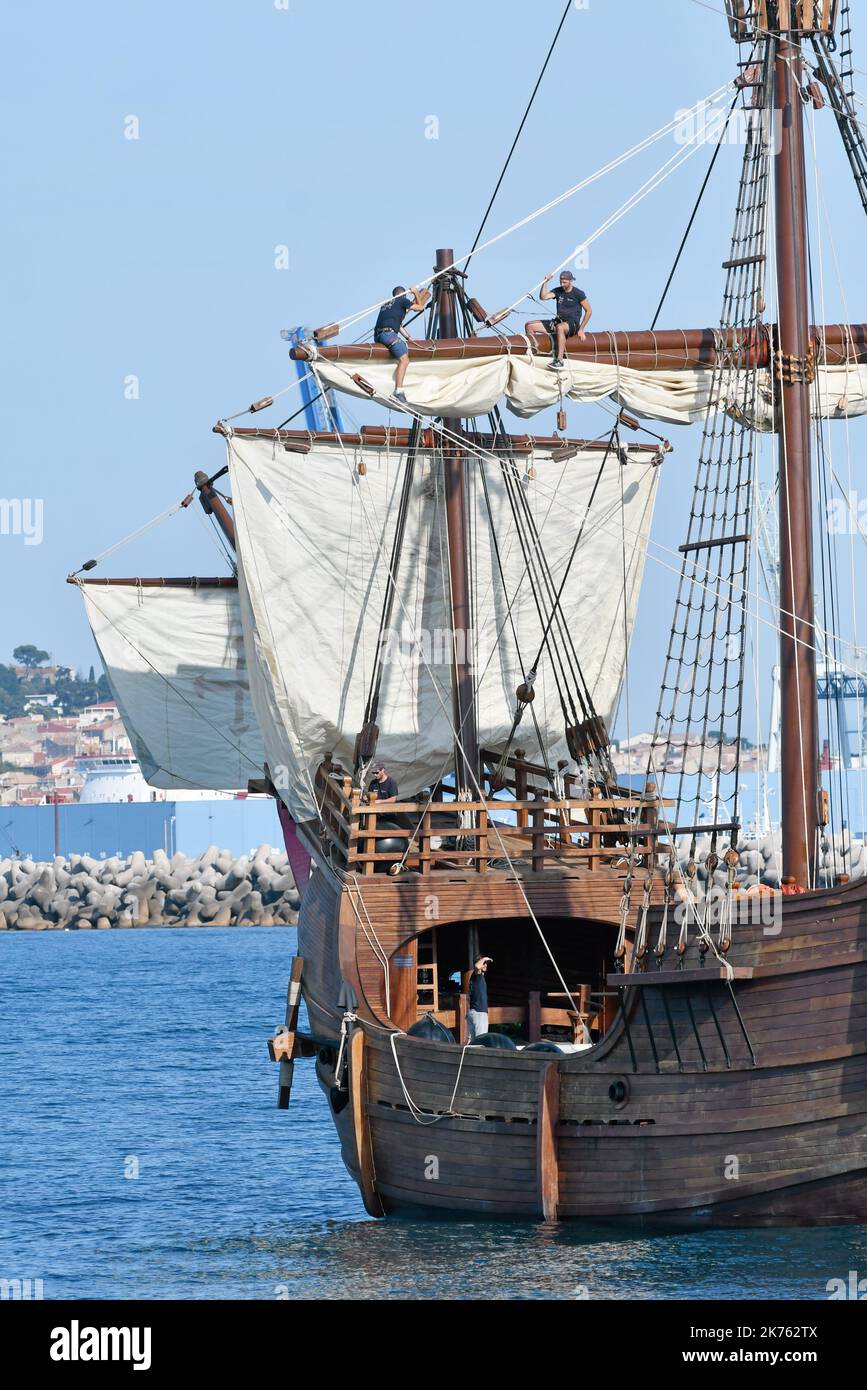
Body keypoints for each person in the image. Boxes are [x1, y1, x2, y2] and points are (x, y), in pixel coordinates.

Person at [526, 270, 592, 370]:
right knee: (529, 325)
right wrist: (545, 282)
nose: (562, 284)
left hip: (572, 324)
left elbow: (589, 311)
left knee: (560, 327)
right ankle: (534, 356)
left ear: (570, 281)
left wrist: (581, 329)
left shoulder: (578, 293)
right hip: (558, 321)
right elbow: (543, 297)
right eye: (560, 281)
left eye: (564, 282)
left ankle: (559, 360)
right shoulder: (558, 291)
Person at [373, 285, 426, 403]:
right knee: (404, 359)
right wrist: (416, 293)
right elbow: (420, 307)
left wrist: (409, 337)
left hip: (378, 335)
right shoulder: (402, 300)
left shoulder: (386, 305)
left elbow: (399, 325)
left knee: (399, 349)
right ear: (403, 295)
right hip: (388, 335)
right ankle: (398, 392)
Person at [467, 955, 492, 1041]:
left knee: (473, 1043)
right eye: (484, 963)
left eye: (486, 963)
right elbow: (477, 966)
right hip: (479, 1013)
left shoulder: (477, 977)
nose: (485, 965)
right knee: (481, 1042)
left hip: (474, 1013)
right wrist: (485, 958)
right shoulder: (477, 975)